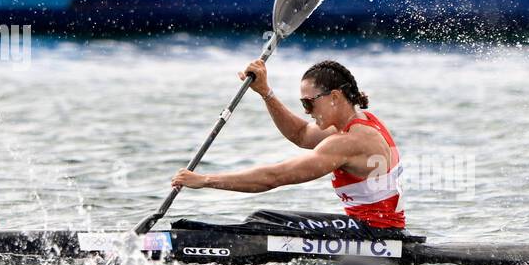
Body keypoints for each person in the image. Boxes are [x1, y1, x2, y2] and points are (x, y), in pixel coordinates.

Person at [172, 59, 406, 229]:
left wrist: (205, 181)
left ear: (334, 97)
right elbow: (301, 134)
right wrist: (265, 92)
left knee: (264, 221)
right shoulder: (362, 123)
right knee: (264, 218)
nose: (307, 112)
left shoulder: (350, 141)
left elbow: (275, 177)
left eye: (308, 103)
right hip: (376, 230)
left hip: (376, 236)